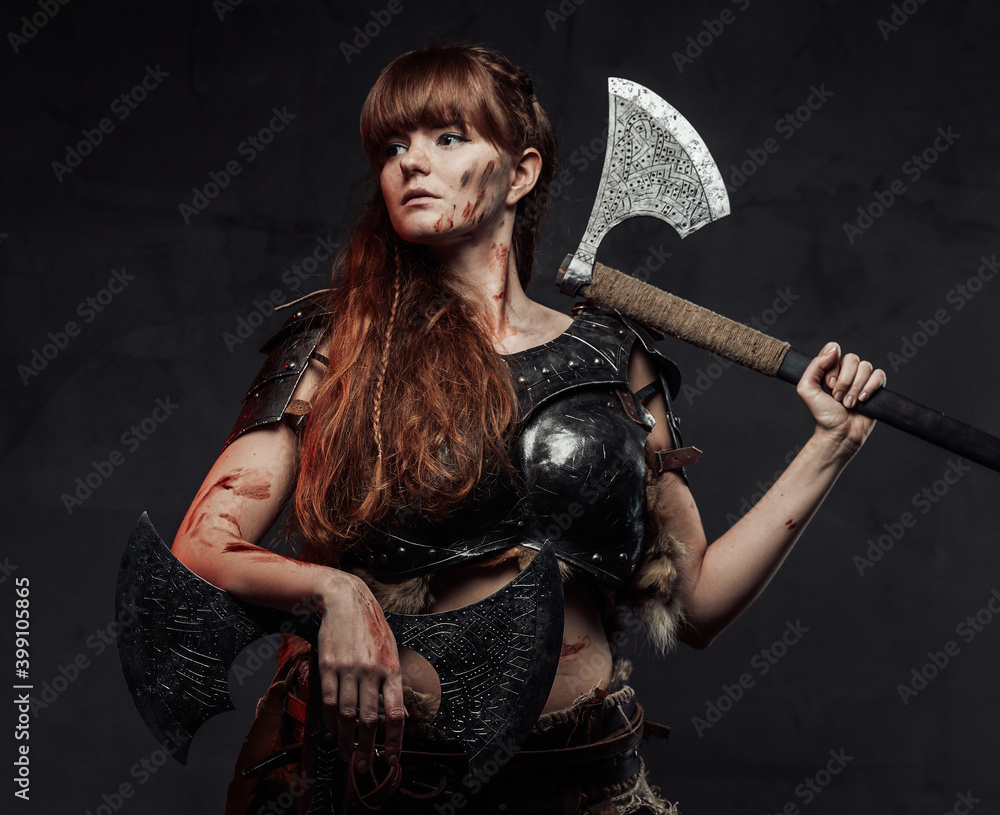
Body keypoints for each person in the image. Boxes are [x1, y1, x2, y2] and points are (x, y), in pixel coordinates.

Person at [171, 44, 886, 815]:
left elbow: (698, 604)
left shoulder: (613, 357)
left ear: (521, 173)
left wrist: (830, 446)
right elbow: (203, 546)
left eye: (448, 137)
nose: (412, 163)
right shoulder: (338, 346)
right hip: (387, 785)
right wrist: (333, 590)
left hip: (585, 784)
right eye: (392, 147)